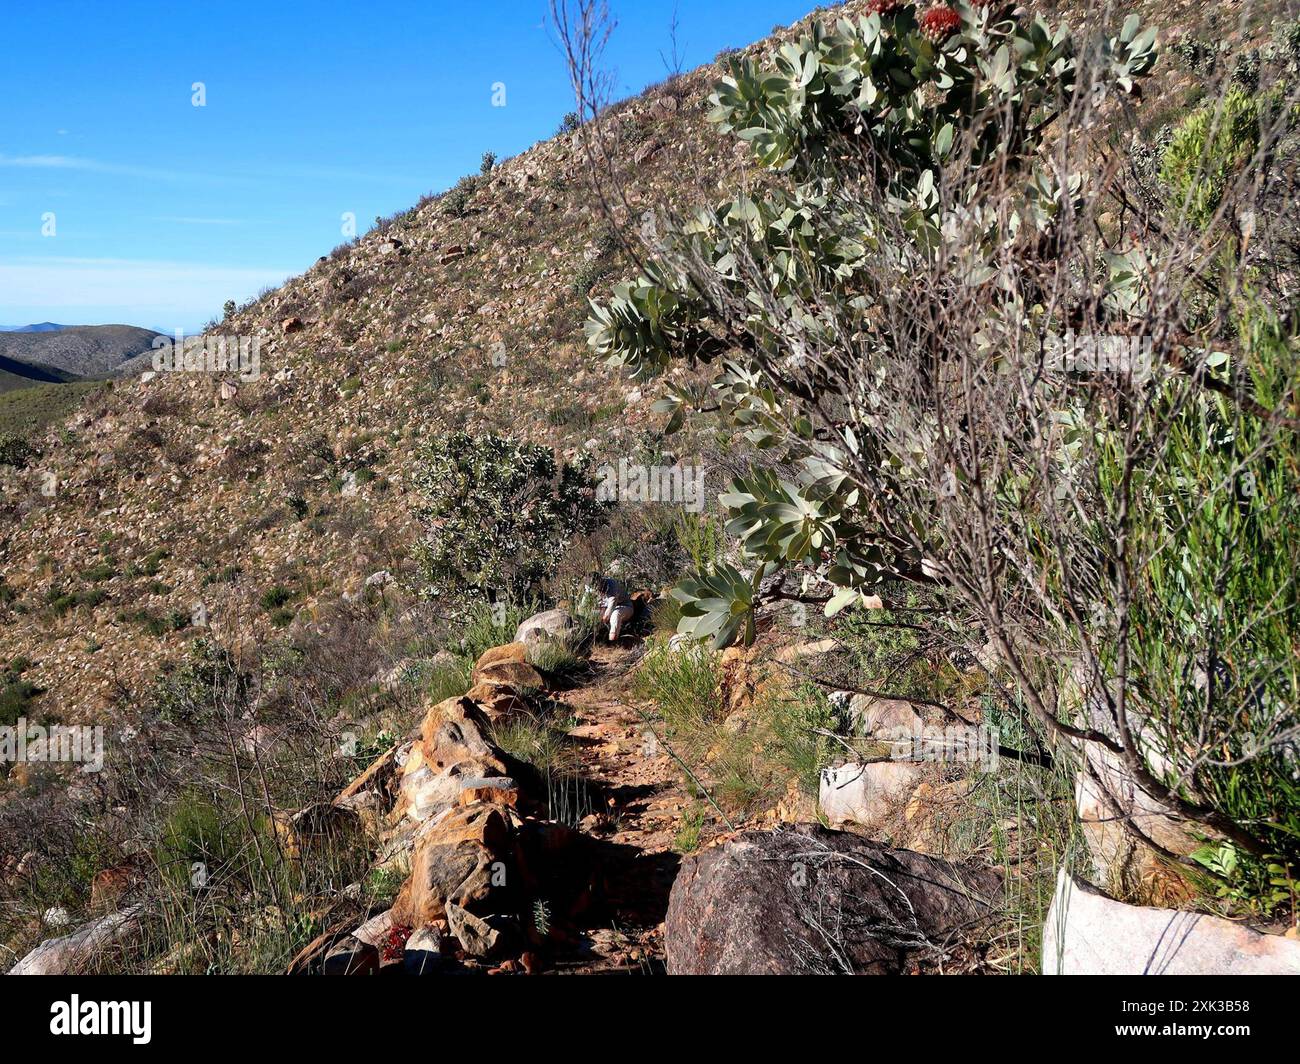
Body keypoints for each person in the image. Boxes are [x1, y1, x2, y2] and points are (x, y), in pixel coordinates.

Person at [592, 572, 634, 642]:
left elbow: (612, 604)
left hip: (624, 606)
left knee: (615, 615)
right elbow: (584, 604)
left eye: (596, 585)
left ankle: (613, 641)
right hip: (604, 608)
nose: (595, 588)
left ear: (600, 581)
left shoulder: (611, 585)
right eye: (593, 586)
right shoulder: (590, 586)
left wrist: (604, 618)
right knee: (592, 614)